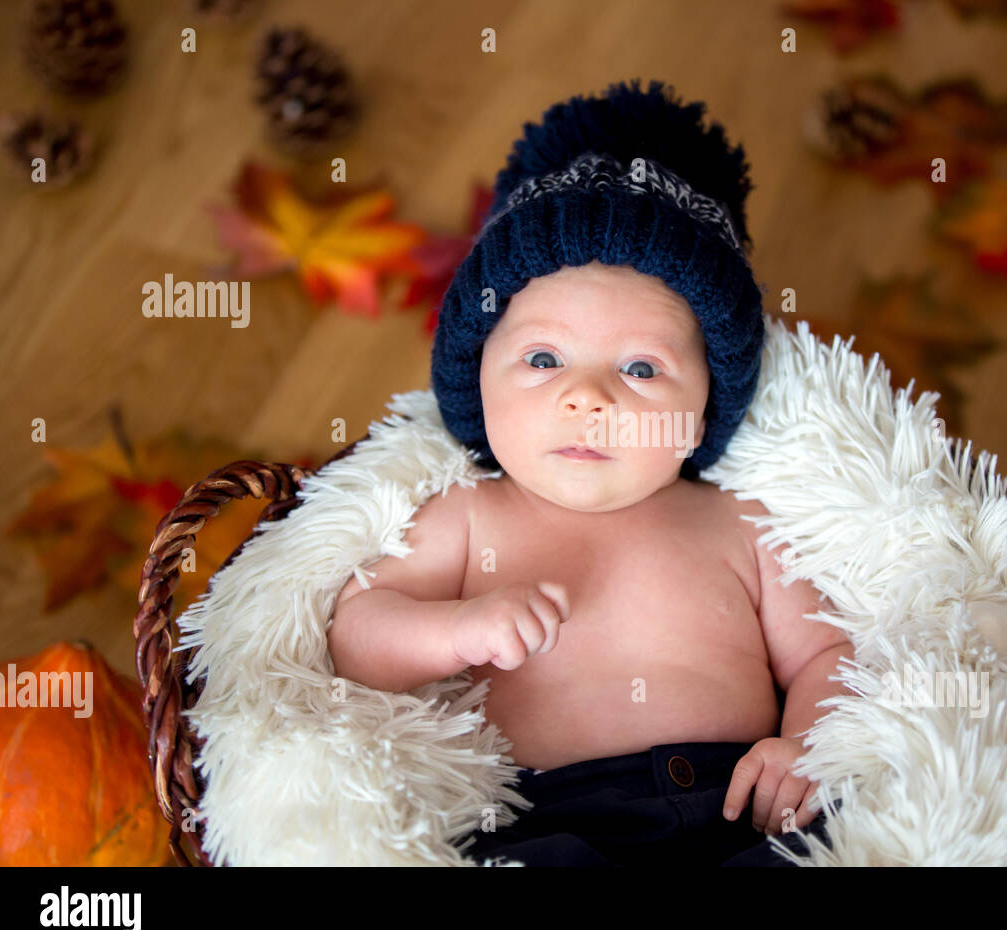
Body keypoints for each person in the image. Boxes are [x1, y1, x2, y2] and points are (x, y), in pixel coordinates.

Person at [328, 79, 848, 866]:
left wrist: (802, 746)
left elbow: (825, 655)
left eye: (641, 367)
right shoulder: (470, 513)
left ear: (705, 413)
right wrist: (457, 629)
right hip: (542, 820)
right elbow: (358, 634)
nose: (587, 397)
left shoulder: (737, 520)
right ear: (478, 378)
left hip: (740, 808)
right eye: (543, 359)